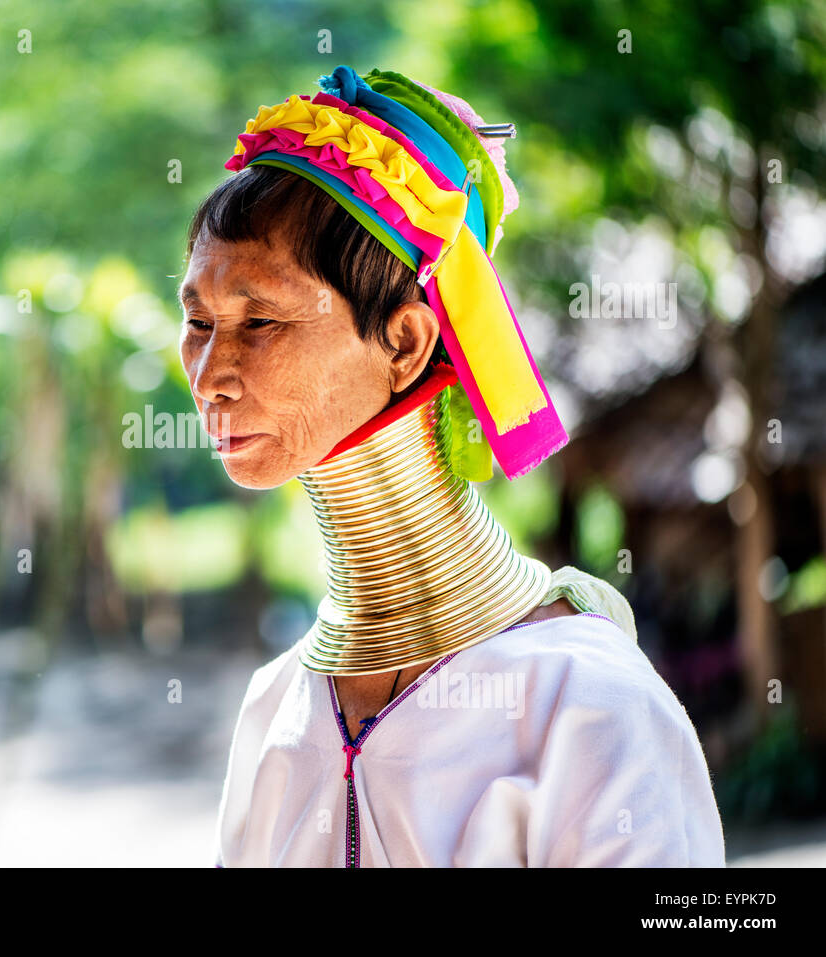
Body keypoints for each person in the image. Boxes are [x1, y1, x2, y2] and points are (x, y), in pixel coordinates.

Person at [178, 65, 725, 867]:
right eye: (197, 320)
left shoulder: (588, 707)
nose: (210, 372)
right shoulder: (274, 709)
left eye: (260, 319)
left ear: (404, 341)